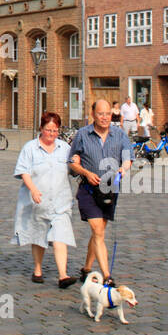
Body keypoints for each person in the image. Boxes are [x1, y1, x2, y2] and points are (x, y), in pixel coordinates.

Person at [68, 99, 134, 287]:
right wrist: (86, 173)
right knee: (97, 230)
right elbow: (72, 162)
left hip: (109, 190)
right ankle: (107, 275)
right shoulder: (82, 135)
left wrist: (123, 168)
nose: (104, 117)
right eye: (100, 114)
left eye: (107, 114)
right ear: (93, 114)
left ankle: (87, 269)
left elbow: (128, 157)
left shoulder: (120, 135)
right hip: (88, 190)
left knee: (99, 233)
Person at [12, 111, 77, 287]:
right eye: (48, 130)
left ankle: (63, 275)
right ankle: (38, 269)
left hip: (60, 200)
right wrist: (33, 189)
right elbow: (24, 170)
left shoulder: (64, 148)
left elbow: (74, 168)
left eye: (55, 131)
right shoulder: (30, 147)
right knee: (38, 234)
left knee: (60, 236)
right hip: (38, 202)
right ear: (41, 129)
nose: (52, 134)